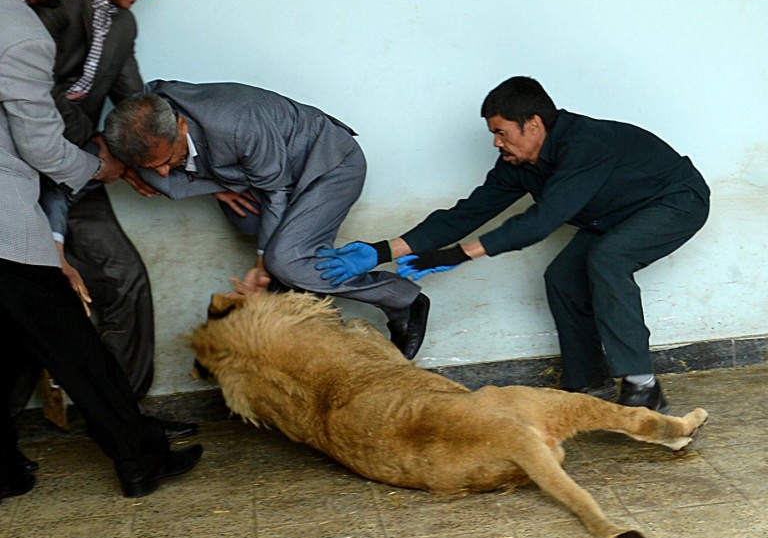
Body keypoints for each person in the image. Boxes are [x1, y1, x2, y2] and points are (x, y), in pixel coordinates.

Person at [313, 76, 710, 411]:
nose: (496, 144)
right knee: (562, 277)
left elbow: (542, 221)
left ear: (533, 124)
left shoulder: (586, 144)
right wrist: (381, 251)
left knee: (608, 259)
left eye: (501, 132)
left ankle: (643, 387)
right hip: (614, 214)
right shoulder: (519, 164)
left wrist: (457, 255)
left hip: (674, 201)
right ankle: (588, 384)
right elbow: (467, 213)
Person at [0, 0, 202, 501]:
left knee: (22, 331)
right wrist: (94, 159)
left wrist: (145, 157)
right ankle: (137, 451)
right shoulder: (30, 23)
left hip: (66, 174)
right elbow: (37, 125)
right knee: (66, 334)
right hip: (28, 185)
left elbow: (131, 98)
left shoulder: (111, 24)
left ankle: (115, 433)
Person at [102, 80, 431, 359]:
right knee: (250, 226)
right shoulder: (146, 109)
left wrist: (262, 266)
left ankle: (403, 300)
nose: (161, 172)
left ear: (181, 126)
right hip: (268, 173)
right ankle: (301, 308)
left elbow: (277, 192)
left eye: (169, 160)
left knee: (283, 262)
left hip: (327, 167)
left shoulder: (237, 125)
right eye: (153, 164)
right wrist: (219, 186)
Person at [33, 0, 182, 400]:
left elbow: (133, 101)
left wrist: (172, 164)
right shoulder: (55, 0)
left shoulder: (124, 27)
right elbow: (35, 90)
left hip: (84, 171)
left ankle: (128, 420)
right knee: (25, 303)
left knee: (126, 279)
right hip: (22, 170)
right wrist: (93, 141)